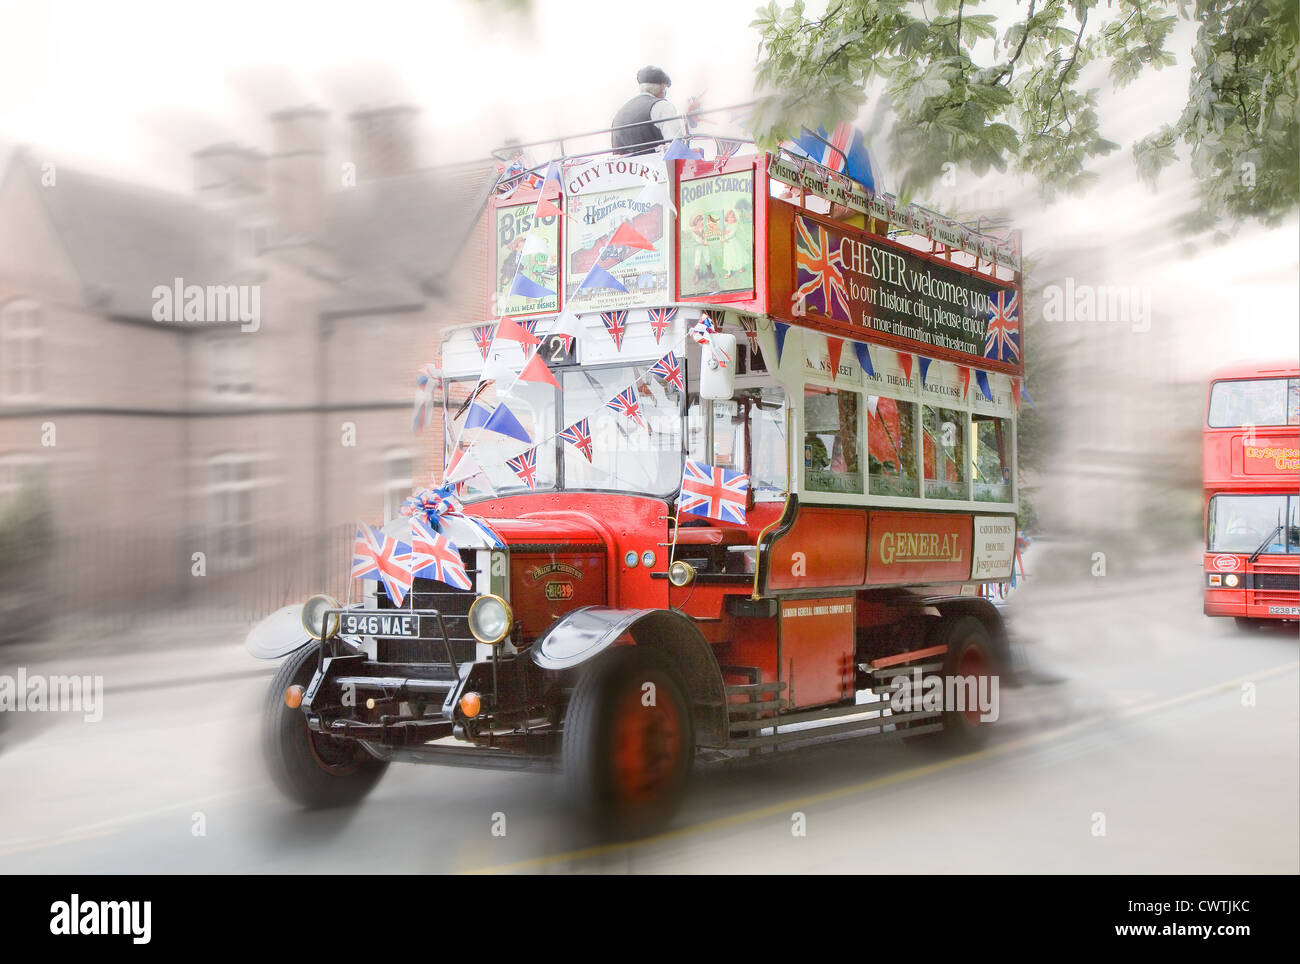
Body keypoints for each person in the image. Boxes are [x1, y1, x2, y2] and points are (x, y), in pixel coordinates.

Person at [611, 66, 686, 154]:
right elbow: (676, 143)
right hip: (658, 165)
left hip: (628, 166)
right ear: (662, 88)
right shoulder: (662, 105)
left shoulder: (619, 113)